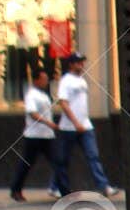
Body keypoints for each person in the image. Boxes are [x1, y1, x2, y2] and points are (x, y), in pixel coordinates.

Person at [49, 53, 119, 199]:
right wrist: (75, 123)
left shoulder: (82, 81)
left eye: (82, 62)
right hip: (69, 127)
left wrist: (82, 123)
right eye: (78, 63)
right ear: (71, 65)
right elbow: (64, 103)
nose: (81, 65)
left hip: (85, 126)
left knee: (93, 156)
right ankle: (55, 186)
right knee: (63, 159)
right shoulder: (66, 81)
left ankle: (104, 186)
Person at [9, 67, 56, 202]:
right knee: (26, 164)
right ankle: (15, 189)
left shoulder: (44, 95)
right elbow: (32, 113)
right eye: (44, 79)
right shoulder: (31, 95)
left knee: (57, 163)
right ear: (36, 80)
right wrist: (48, 123)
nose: (46, 81)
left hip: (46, 135)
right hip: (34, 136)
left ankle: (62, 189)